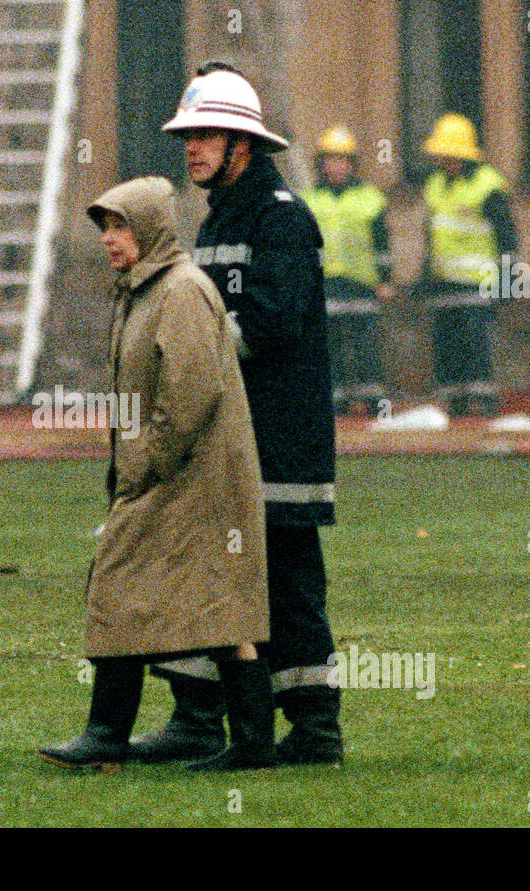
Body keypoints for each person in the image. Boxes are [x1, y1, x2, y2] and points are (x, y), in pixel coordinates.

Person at [130, 62, 343, 766]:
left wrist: (192, 353)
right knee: (204, 571)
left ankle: (313, 732)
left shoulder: (281, 218)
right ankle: (198, 717)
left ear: (243, 143)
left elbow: (272, 321)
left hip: (278, 441)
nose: (191, 148)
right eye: (188, 136)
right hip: (232, 435)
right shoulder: (226, 216)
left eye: (207, 135)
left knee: (287, 583)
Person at [38, 175, 276, 772]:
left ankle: (109, 734)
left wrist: (147, 463)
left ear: (151, 227)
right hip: (176, 476)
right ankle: (244, 742)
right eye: (105, 229)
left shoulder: (181, 292)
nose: (111, 240)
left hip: (195, 478)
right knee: (215, 612)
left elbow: (190, 394)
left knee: (134, 591)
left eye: (121, 226)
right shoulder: (144, 291)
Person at [417, 113, 519, 417]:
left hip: (479, 281)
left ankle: (484, 401)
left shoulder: (488, 187)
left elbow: (507, 237)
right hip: (445, 280)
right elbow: (432, 233)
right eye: (442, 156)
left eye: (452, 156)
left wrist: (508, 280)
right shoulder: (436, 185)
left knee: (476, 342)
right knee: (447, 343)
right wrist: (425, 274)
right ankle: (455, 402)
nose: (446, 162)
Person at [303, 125, 394, 415]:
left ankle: (373, 400)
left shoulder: (371, 198)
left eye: (342, 160)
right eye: (331, 160)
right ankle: (335, 400)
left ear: (352, 164)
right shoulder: (309, 199)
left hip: (361, 282)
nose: (337, 166)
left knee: (366, 345)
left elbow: (382, 243)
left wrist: (386, 280)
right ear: (322, 164)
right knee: (329, 345)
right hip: (325, 283)